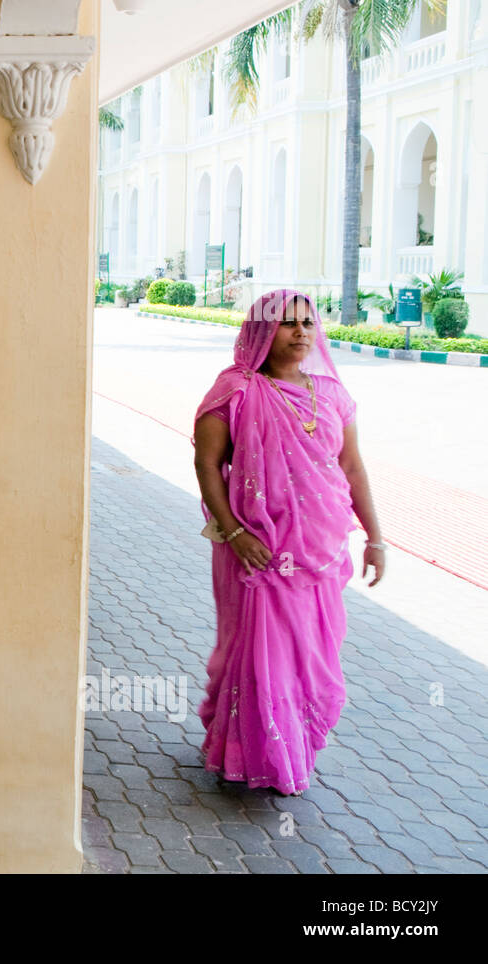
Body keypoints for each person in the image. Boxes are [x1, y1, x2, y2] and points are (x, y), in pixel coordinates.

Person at [192, 289, 384, 797]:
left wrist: (376, 538)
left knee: (309, 657)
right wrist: (234, 532)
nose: (301, 332)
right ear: (261, 331)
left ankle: (289, 741)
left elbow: (352, 467)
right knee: (263, 657)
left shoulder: (333, 395)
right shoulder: (235, 390)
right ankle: (264, 756)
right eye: (286, 323)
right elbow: (207, 464)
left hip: (321, 552)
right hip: (259, 552)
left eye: (307, 323)